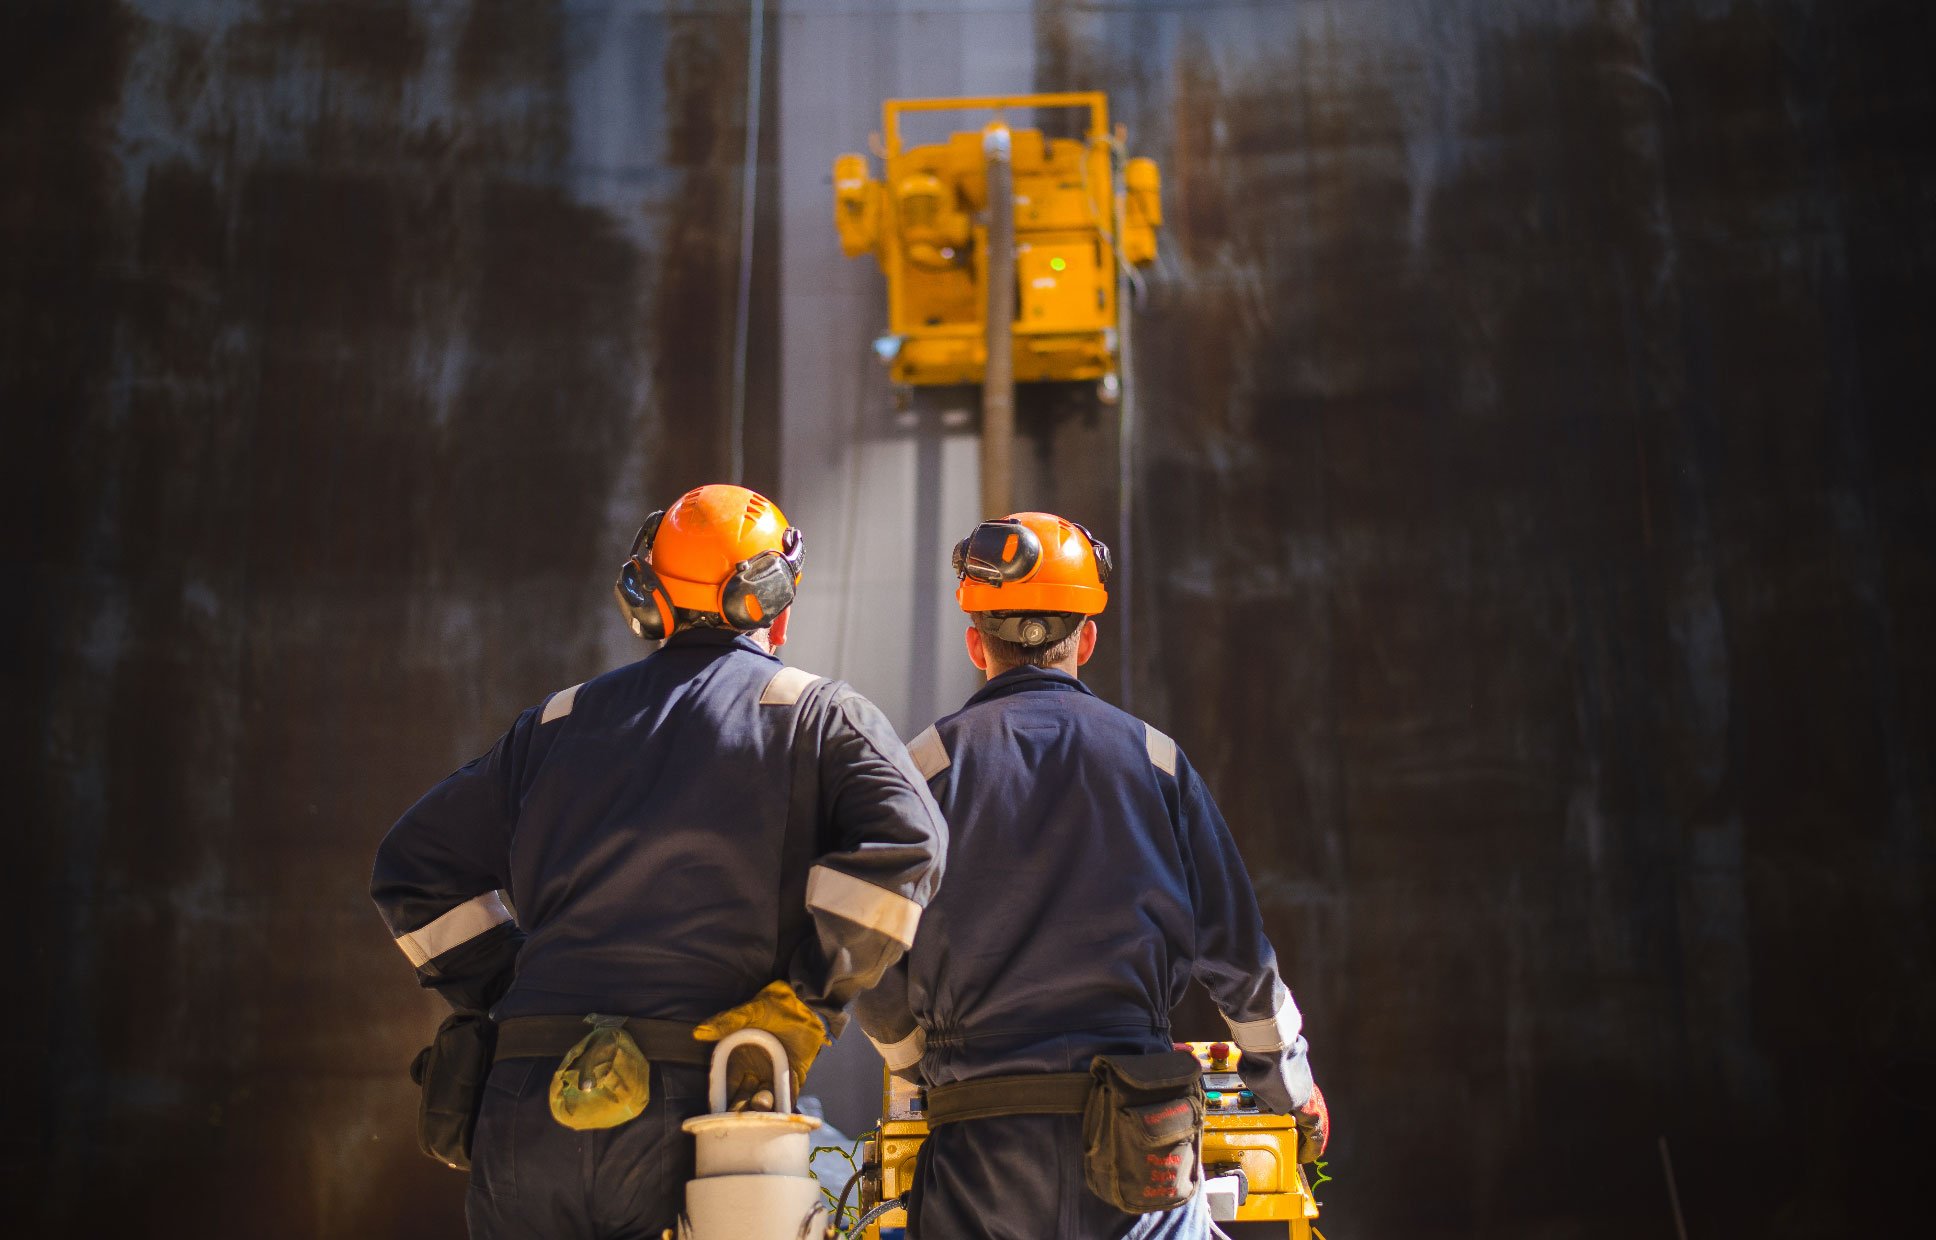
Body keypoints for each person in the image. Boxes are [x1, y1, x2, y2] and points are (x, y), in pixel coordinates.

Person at [372, 483, 947, 1239]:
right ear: (770, 597)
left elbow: (411, 867)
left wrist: (515, 986)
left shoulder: (557, 722)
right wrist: (806, 1001)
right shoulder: (817, 716)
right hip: (701, 1102)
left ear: (647, 596)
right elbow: (908, 842)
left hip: (529, 1101)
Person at [856, 511, 1329, 1240]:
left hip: (980, 1150)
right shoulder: (1155, 761)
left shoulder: (923, 770)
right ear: (1090, 637)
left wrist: (921, 1066)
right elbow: (1241, 957)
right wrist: (1289, 1086)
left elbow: (872, 960)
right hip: (1143, 1147)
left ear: (975, 641)